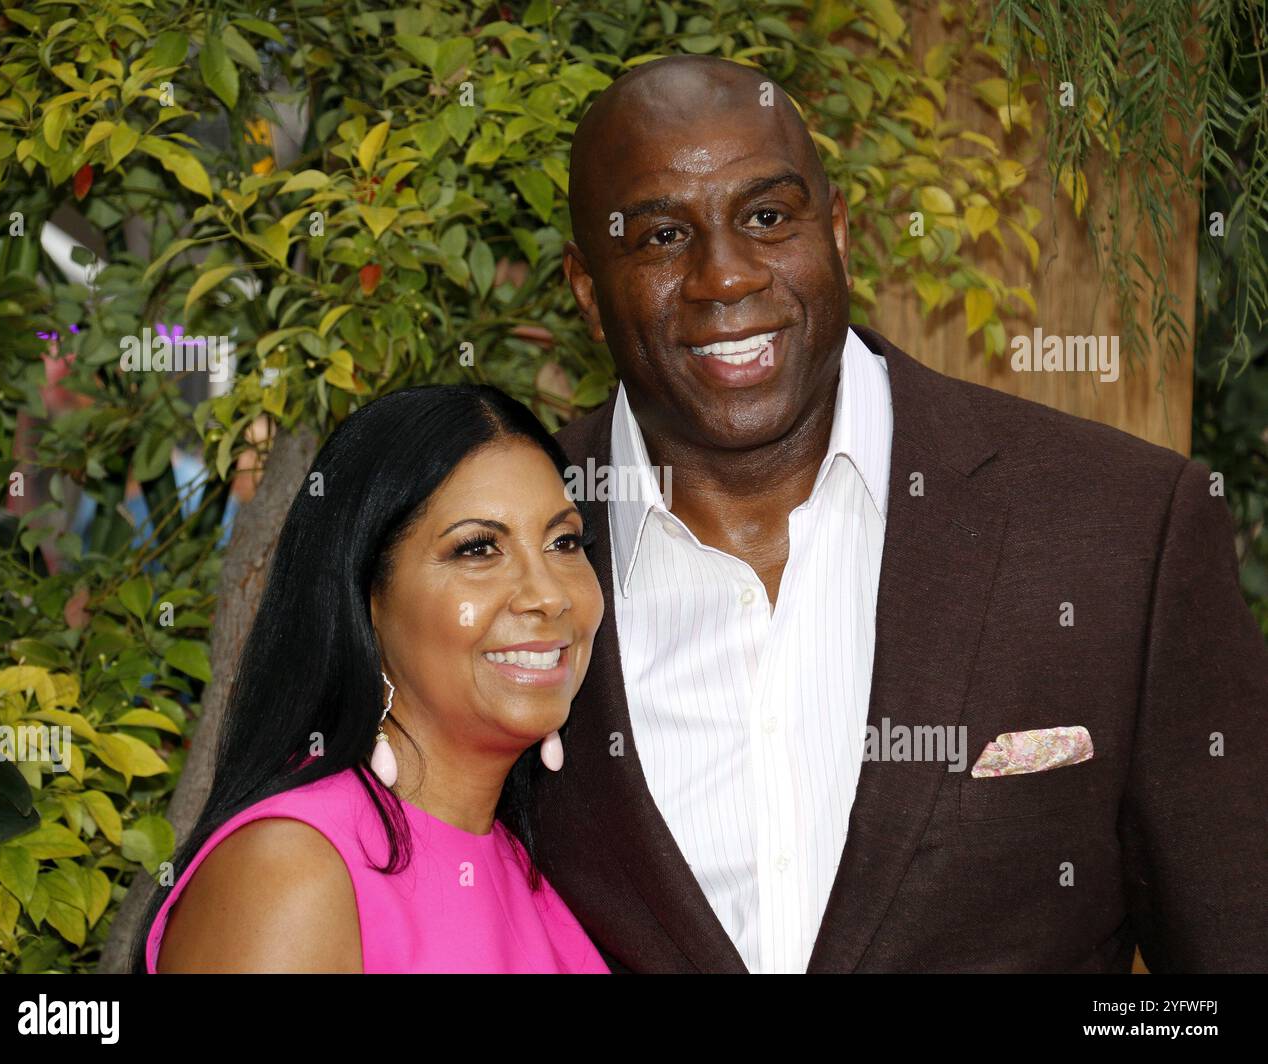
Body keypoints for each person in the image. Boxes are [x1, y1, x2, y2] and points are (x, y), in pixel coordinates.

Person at [529, 54, 1268, 973]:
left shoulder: (1124, 530)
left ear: (836, 230)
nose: (726, 278)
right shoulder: (481, 556)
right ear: (588, 292)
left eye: (767, 218)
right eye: (660, 239)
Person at [133, 385, 609, 973]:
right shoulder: (291, 867)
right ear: (366, 601)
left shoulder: (528, 865)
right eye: (478, 549)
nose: (548, 595)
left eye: (563, 541)